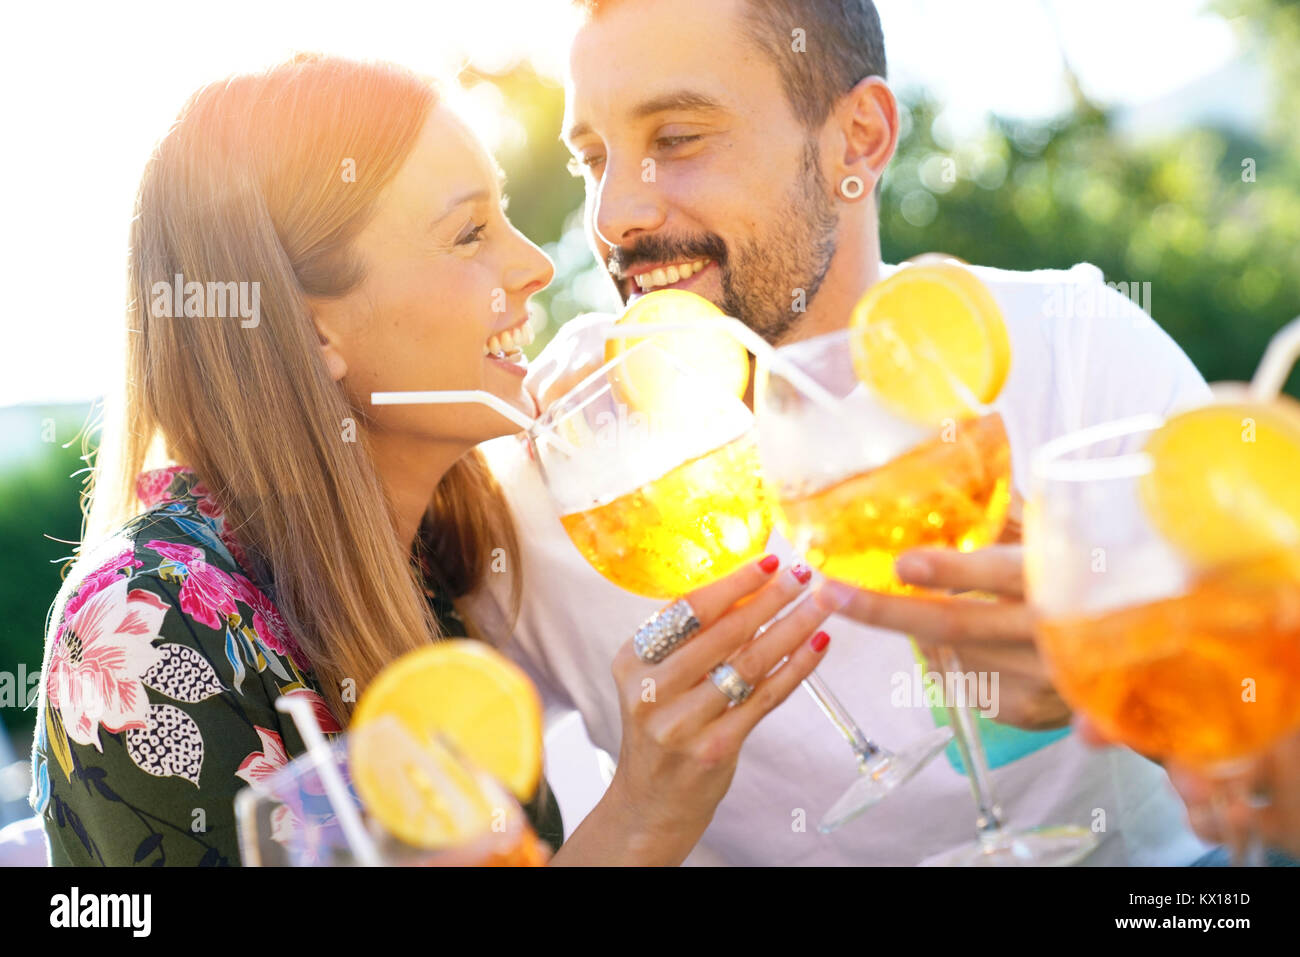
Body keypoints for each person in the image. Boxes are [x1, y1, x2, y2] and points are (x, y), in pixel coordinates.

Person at [28, 53, 843, 866]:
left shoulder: (436, 564)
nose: (539, 265)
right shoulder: (146, 629)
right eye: (470, 233)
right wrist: (641, 814)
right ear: (314, 332)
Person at [462, 0, 1213, 864]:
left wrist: (1123, 681)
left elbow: (1272, 738)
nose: (613, 213)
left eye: (676, 138)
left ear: (857, 138)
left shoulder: (1076, 348)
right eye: (593, 158)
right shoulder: (555, 486)